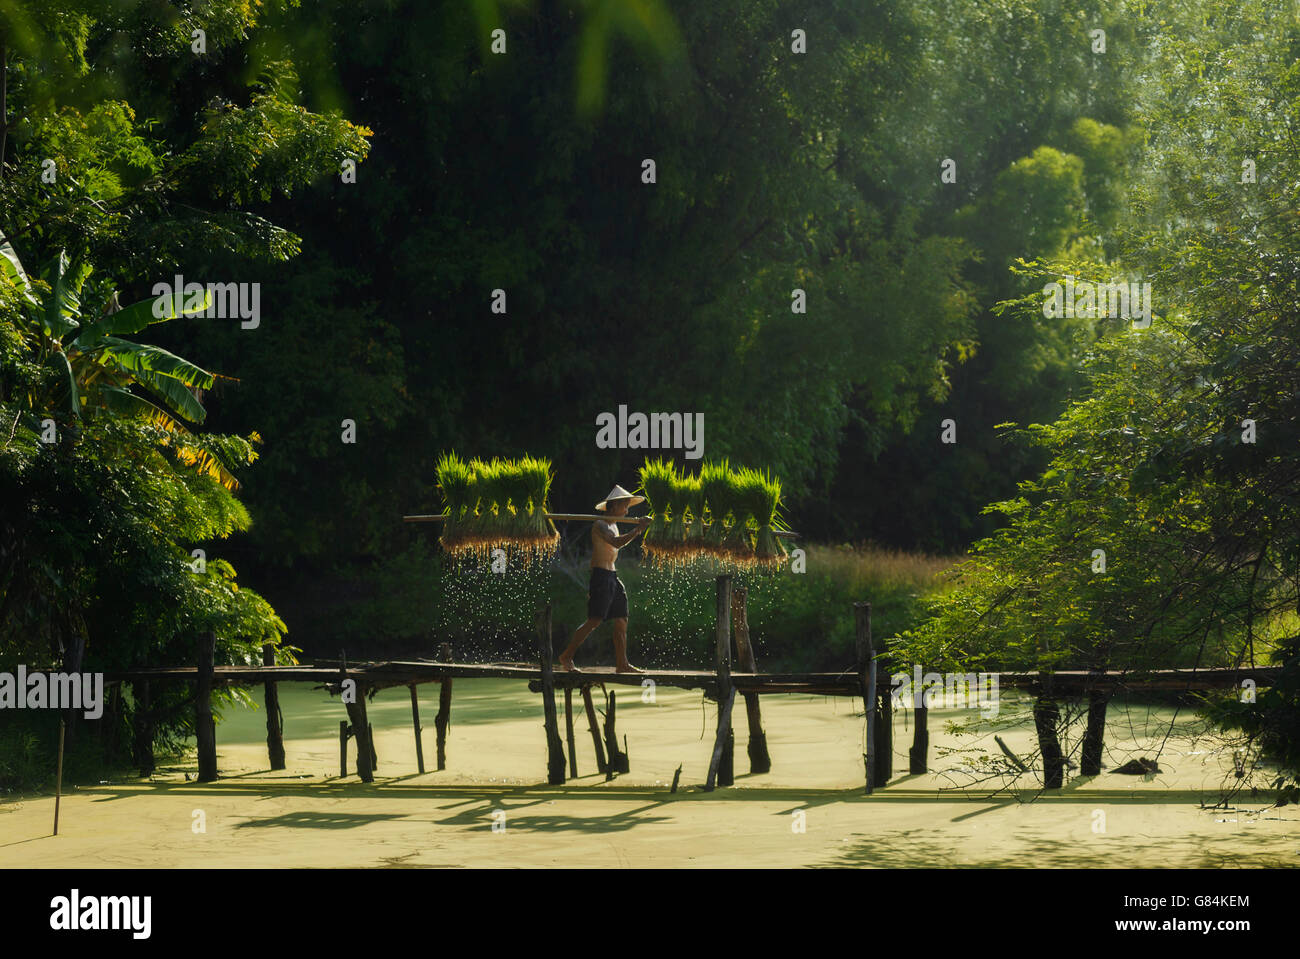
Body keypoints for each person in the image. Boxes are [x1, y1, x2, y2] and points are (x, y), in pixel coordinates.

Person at [557, 485, 649, 673]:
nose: (627, 510)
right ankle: (566, 656)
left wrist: (638, 528)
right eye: (625, 506)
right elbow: (616, 542)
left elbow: (618, 541)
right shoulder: (599, 524)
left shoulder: (613, 525)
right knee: (594, 620)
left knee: (622, 619)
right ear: (614, 507)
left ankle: (622, 664)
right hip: (600, 576)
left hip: (613, 576)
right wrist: (638, 529)